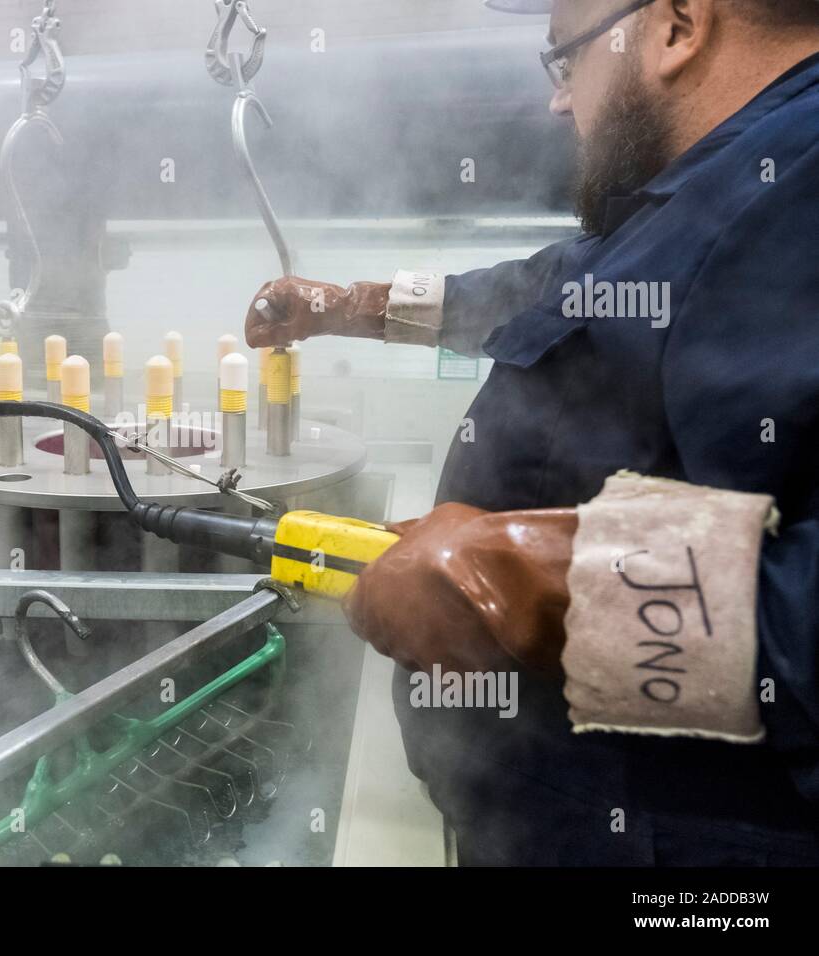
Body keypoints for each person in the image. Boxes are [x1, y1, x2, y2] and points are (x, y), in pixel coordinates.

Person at [244, 0, 819, 865]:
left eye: (565, 56)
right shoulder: (723, 185)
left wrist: (522, 572)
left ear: (676, 26)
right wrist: (350, 305)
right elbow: (560, 290)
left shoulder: (799, 186)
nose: (558, 100)